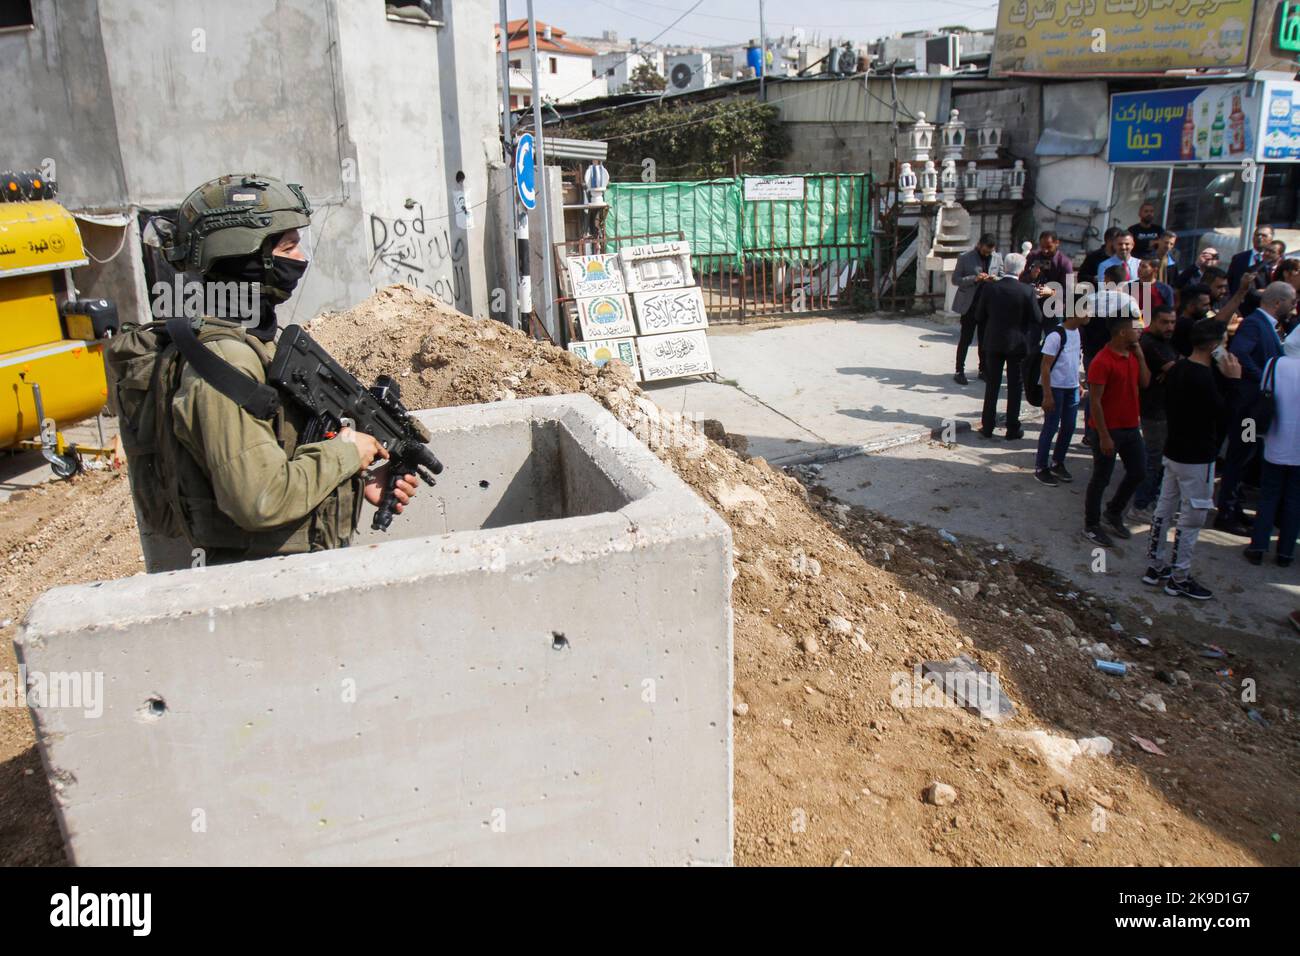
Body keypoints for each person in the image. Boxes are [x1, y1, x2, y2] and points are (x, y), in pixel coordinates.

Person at [124, 173, 419, 565]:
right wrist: (347, 453)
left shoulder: (251, 340)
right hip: (261, 588)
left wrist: (353, 481)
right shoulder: (225, 361)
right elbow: (261, 500)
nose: (300, 259)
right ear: (247, 256)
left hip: (289, 571)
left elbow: (278, 457)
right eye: (289, 246)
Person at [1144, 319, 1242, 600]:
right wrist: (1233, 382)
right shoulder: (1202, 378)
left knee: (1164, 508)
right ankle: (1180, 576)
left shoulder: (1177, 369)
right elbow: (1224, 415)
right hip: (1197, 457)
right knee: (1192, 516)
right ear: (1213, 345)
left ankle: (1156, 565)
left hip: (1173, 451)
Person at [1215, 281, 1296, 535]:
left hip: (1252, 407)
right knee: (1240, 457)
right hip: (1248, 409)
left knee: (1246, 456)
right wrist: (1266, 377)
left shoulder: (1267, 326)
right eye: (1292, 302)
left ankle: (1234, 508)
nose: (1294, 307)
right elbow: (1240, 353)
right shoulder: (1254, 323)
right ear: (1278, 303)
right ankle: (1226, 512)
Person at [1083, 310, 1151, 545]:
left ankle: (1113, 512)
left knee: (1139, 471)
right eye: (1136, 327)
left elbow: (1145, 382)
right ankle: (1091, 524)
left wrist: (1141, 357)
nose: (1140, 330)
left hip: (1131, 427)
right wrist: (1103, 436)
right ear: (1122, 332)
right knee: (1101, 478)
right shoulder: (1102, 362)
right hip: (1108, 430)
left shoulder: (1132, 354)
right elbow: (1095, 403)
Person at [1245, 325, 1300, 567]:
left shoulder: (1275, 364)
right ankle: (1285, 553)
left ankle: (1258, 547)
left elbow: (1262, 397)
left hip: (1275, 440)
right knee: (1294, 500)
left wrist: (1249, 436)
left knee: (1268, 496)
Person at [975, 251, 1038, 440]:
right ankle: (1012, 427)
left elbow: (979, 315)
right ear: (1022, 269)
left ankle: (987, 426)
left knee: (992, 385)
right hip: (1017, 343)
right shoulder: (1027, 291)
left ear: (1004, 267)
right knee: (1015, 386)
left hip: (994, 341)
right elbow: (1037, 318)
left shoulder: (990, 288)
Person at [1033, 296, 1090, 486]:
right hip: (1055, 389)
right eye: (1086, 310)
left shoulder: (1078, 333)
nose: (1089, 314)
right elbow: (1045, 366)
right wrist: (1047, 395)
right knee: (1050, 427)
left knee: (1069, 427)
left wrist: (1079, 384)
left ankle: (1058, 462)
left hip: (1072, 388)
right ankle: (1041, 467)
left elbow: (1074, 361)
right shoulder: (1056, 336)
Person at [1132, 305, 1179, 517]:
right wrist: (1173, 370)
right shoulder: (1150, 344)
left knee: (1159, 460)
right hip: (1154, 411)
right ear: (1153, 322)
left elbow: (1176, 368)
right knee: (1154, 460)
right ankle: (1140, 504)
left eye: (1172, 322)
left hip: (1165, 408)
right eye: (1165, 322)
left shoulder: (1165, 342)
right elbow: (1178, 370)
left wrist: (1173, 369)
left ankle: (1150, 499)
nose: (1169, 327)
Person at [951, 233, 1003, 385]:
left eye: (990, 252)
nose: (988, 254)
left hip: (988, 306)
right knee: (965, 339)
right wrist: (974, 278)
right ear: (980, 245)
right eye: (986, 251)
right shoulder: (965, 257)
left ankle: (983, 369)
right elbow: (956, 279)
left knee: (984, 340)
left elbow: (1003, 276)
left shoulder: (997, 257)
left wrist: (995, 279)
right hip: (970, 305)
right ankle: (959, 370)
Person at [1228, 224, 1274, 293]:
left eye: (1264, 235)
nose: (1259, 237)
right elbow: (1230, 281)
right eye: (1257, 235)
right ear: (1253, 238)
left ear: (1271, 240)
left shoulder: (1273, 260)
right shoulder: (1238, 258)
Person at [1172, 283, 1212, 357]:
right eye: (1205, 305)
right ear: (1190, 305)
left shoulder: (1183, 322)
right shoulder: (1187, 326)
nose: (1209, 308)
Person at [1080, 227, 1121, 292]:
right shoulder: (1094, 256)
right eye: (1117, 241)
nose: (1120, 245)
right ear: (1108, 240)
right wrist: (1094, 278)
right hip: (1096, 295)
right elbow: (1081, 277)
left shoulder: (1122, 258)